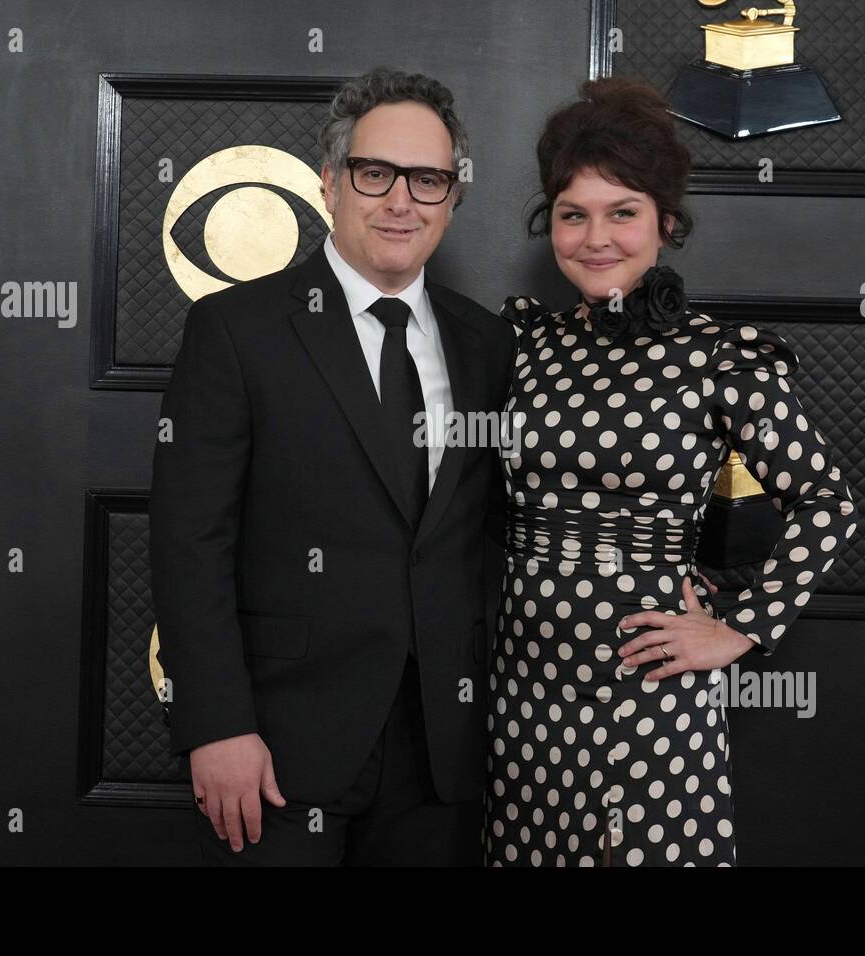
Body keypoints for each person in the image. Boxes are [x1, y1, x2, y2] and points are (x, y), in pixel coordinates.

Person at [487, 76, 859, 866]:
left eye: (622, 212)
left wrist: (740, 628)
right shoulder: (525, 345)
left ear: (665, 222)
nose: (596, 238)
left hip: (647, 681)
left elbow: (826, 500)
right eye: (573, 214)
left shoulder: (717, 355)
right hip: (523, 682)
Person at [149, 67, 514, 866]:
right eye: (375, 173)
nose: (401, 201)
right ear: (328, 183)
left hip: (443, 753)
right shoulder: (236, 330)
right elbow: (188, 544)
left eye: (428, 180)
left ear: (453, 199)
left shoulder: (487, 344)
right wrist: (215, 725)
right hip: (278, 751)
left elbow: (498, 531)